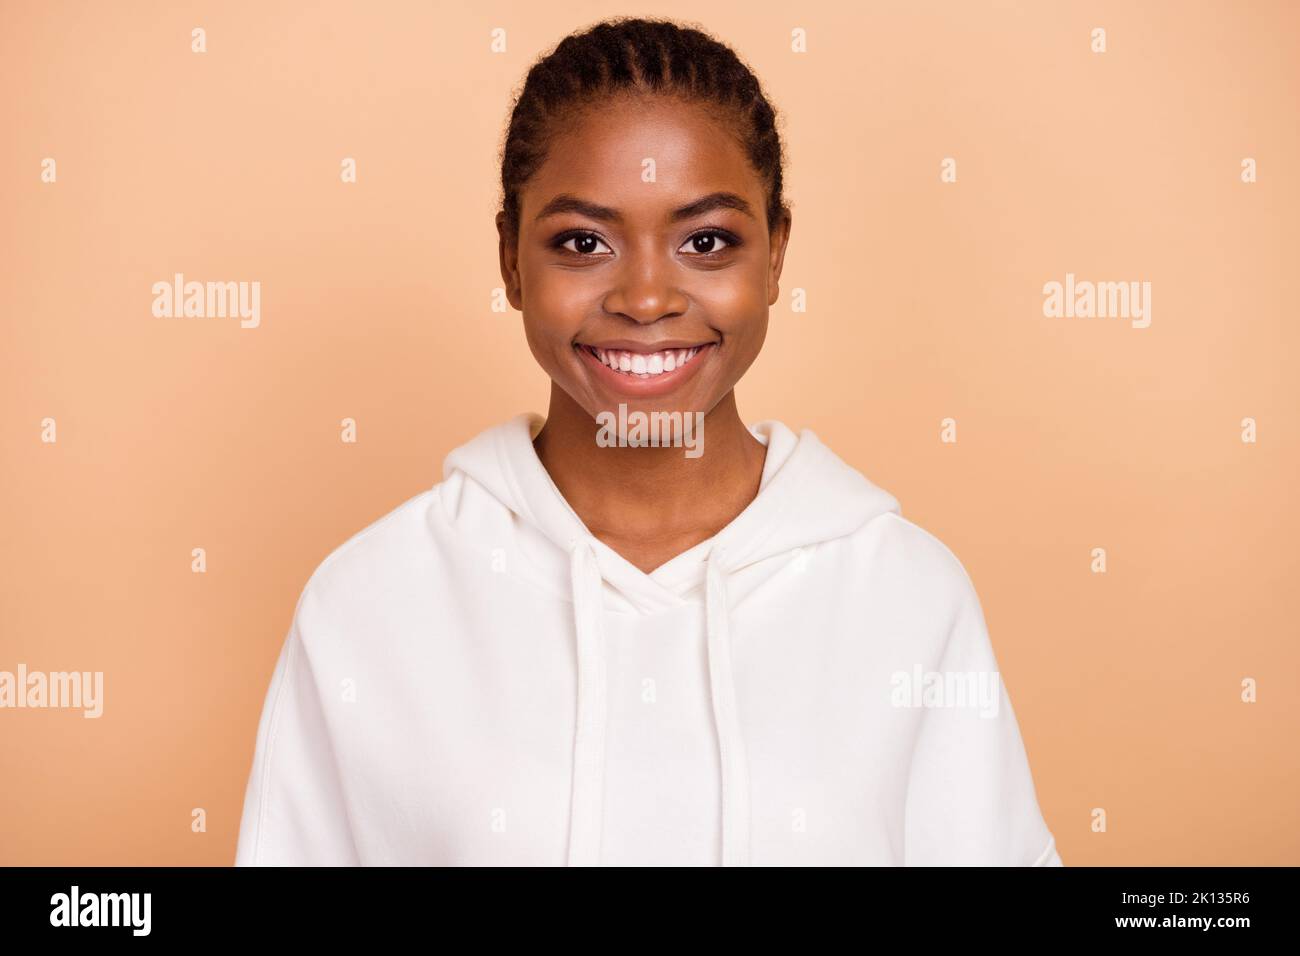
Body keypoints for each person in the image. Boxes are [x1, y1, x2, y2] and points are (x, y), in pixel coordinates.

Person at [234, 15, 1062, 867]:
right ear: (511, 263)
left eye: (706, 241)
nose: (645, 296)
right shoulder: (371, 603)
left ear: (775, 253)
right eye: (582, 242)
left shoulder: (908, 595)